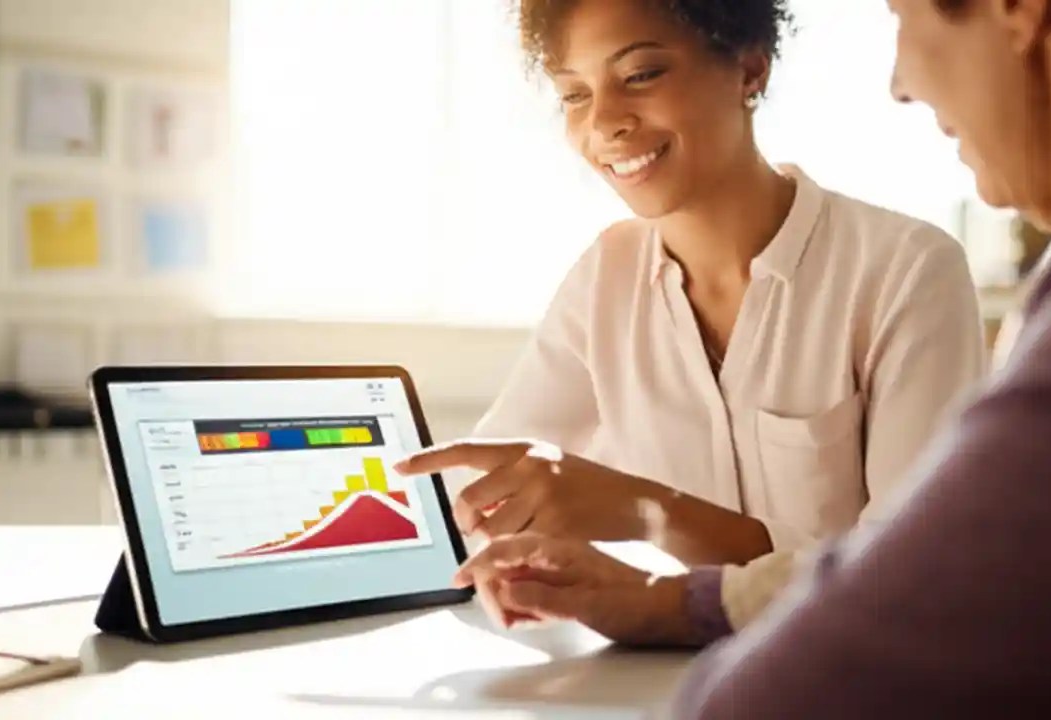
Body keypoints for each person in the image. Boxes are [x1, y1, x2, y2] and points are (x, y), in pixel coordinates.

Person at [445, 0, 1051, 713]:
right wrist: (659, 600)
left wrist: (651, 532)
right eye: (575, 93)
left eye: (905, 16)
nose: (901, 81)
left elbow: (900, 609)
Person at [396, 0, 986, 633]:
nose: (605, 122)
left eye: (642, 74)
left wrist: (645, 510)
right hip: (643, 682)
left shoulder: (906, 271)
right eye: (573, 95)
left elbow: (908, 568)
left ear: (749, 70)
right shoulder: (607, 277)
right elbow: (480, 494)